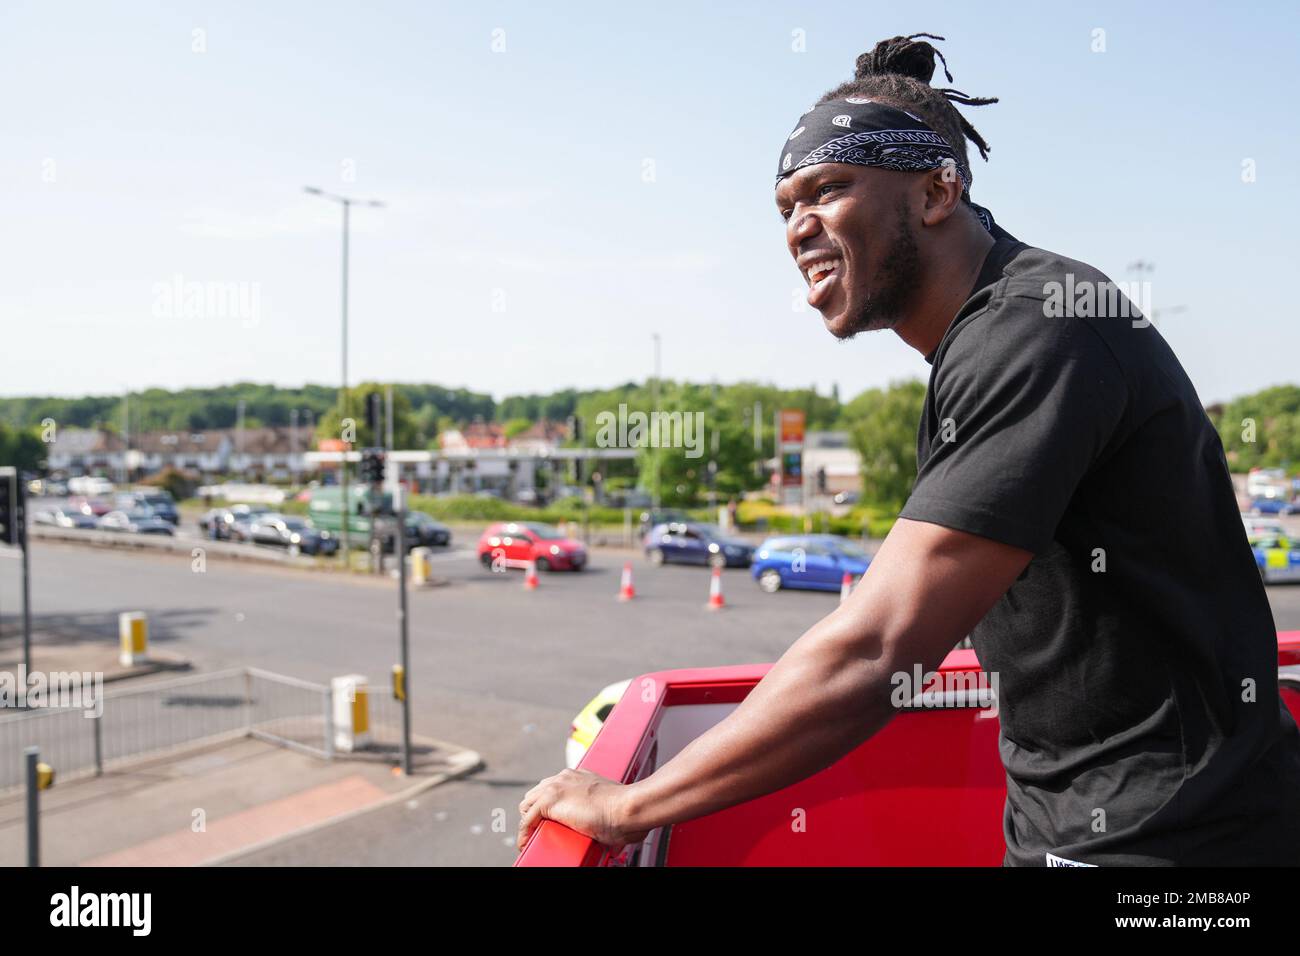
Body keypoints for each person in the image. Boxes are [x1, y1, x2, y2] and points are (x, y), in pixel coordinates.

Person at [518, 34, 1300, 866]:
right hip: (1078, 830)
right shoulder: (985, 341)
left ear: (936, 190)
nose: (799, 228)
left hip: (1175, 848)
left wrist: (632, 803)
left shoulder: (1040, 327)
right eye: (786, 207)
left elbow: (878, 644)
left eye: (828, 189)